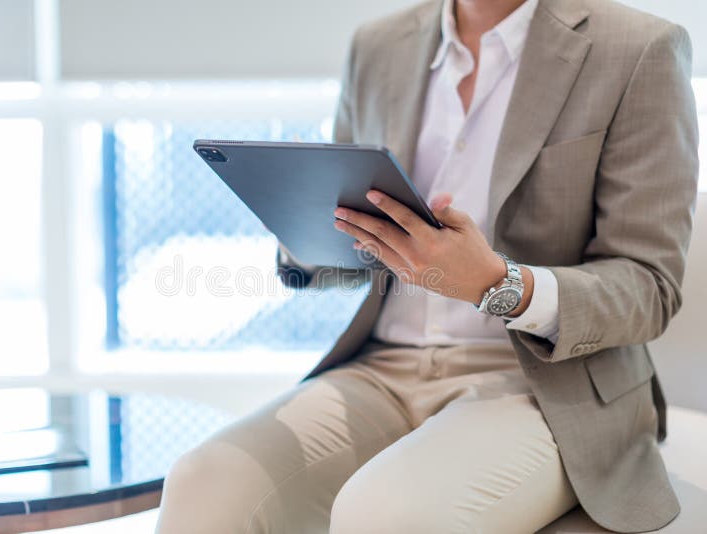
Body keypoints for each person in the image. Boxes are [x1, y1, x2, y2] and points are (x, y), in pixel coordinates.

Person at [156, 0, 699, 532]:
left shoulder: (638, 48)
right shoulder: (377, 46)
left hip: (541, 382)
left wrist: (497, 284)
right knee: (203, 481)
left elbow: (648, 286)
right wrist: (304, 229)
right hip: (382, 370)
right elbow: (359, 248)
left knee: (388, 515)